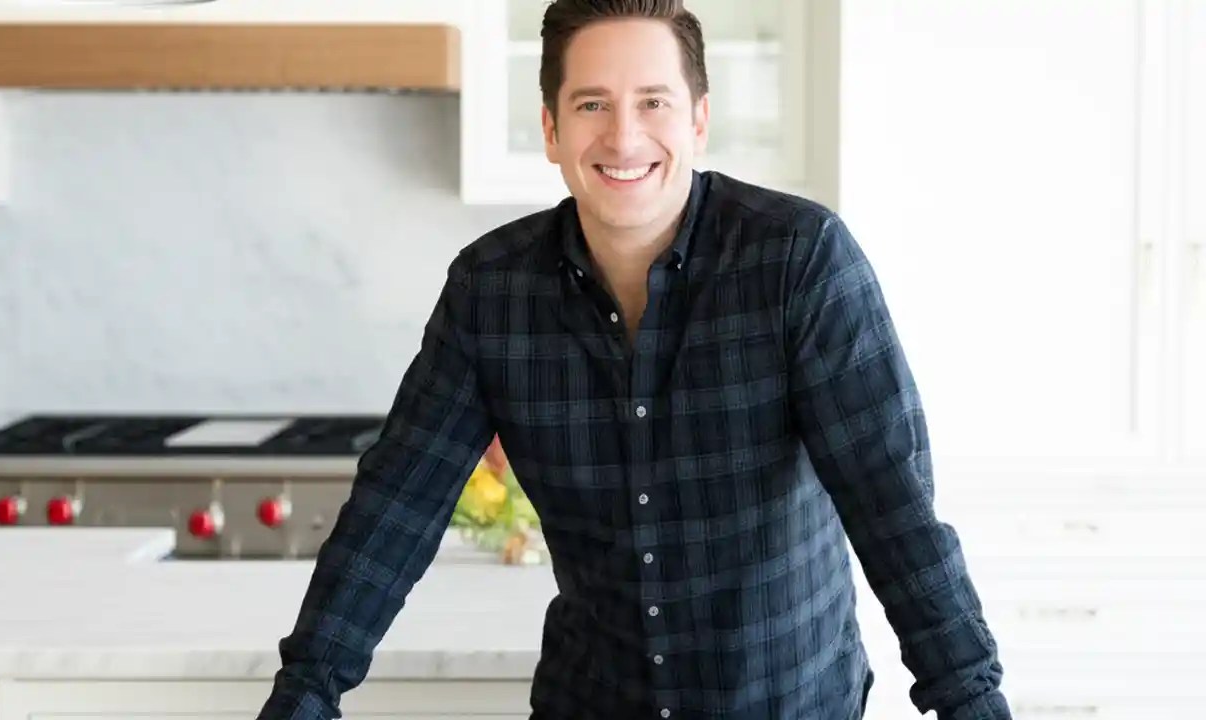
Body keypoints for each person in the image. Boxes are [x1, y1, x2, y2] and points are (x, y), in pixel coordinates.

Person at [256, 0, 1011, 718]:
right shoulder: (492, 291)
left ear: (698, 121)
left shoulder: (799, 262)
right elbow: (396, 507)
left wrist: (973, 702)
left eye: (654, 102)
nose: (623, 138)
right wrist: (306, 695)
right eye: (592, 105)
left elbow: (896, 513)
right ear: (551, 130)